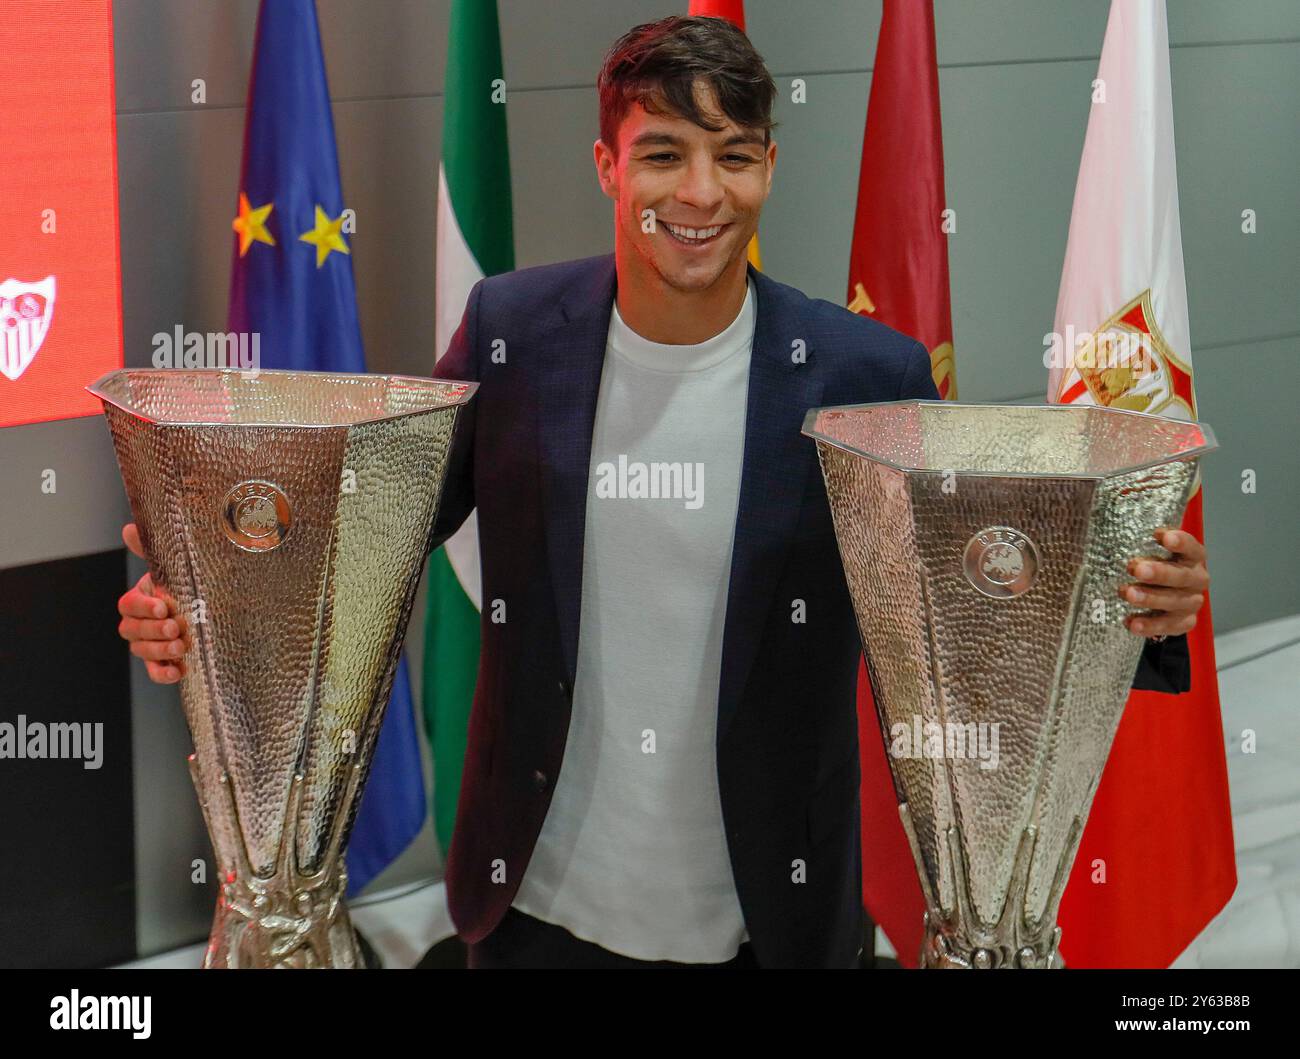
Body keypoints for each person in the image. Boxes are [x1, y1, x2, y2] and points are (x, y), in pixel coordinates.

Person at [116, 15, 1209, 968]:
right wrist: (204, 607)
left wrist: (1140, 607)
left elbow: (973, 614)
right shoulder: (510, 334)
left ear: (769, 169)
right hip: (534, 910)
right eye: (663, 154)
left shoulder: (865, 376)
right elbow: (364, 546)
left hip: (770, 920)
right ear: (605, 165)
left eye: (732, 156)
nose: (699, 193)